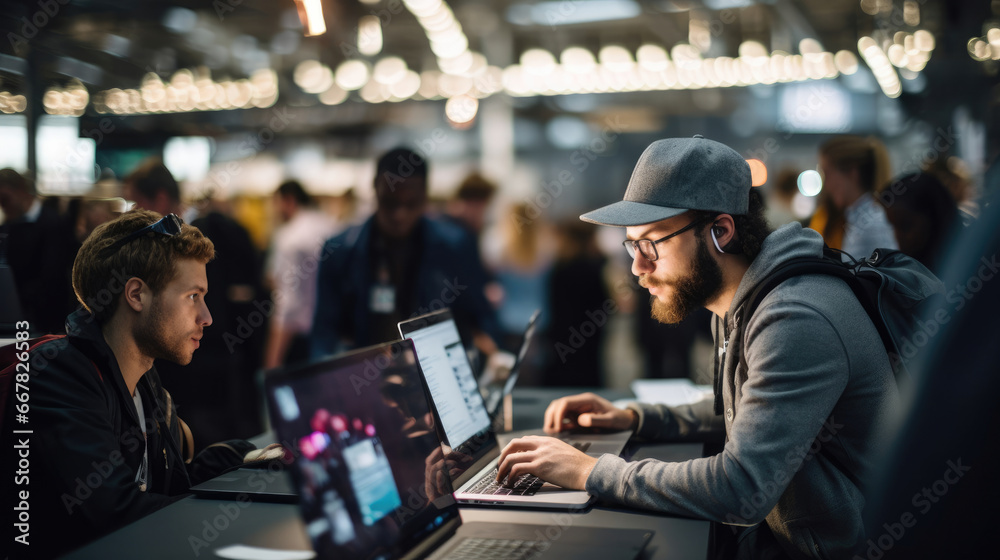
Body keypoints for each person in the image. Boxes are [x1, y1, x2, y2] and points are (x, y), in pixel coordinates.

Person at [495, 137, 899, 559]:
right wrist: (633, 416)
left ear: (720, 231)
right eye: (632, 244)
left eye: (653, 242)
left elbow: (741, 487)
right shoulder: (739, 298)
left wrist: (591, 471)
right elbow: (742, 409)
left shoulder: (795, 316)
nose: (638, 266)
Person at [0, 210, 270, 558]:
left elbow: (171, 487)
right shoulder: (57, 375)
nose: (207, 317)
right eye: (192, 296)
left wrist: (255, 455)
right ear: (136, 295)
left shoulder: (144, 380)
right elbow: (118, 513)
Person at [310, 147, 499, 359]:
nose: (399, 215)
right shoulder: (340, 249)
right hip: (363, 378)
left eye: (411, 204)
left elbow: (481, 319)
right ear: (375, 189)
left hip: (434, 376)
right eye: (389, 203)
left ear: (425, 195)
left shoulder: (455, 246)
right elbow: (323, 333)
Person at [264, 180, 339, 368]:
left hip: (298, 337)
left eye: (277, 203)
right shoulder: (331, 226)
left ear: (289, 200)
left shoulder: (290, 237)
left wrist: (273, 357)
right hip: (331, 331)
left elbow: (287, 298)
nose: (276, 210)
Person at [0, 168, 78, 334]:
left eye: (5, 199)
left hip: (46, 322)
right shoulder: (9, 226)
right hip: (17, 318)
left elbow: (53, 277)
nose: (3, 207)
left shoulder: (53, 224)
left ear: (21, 191)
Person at [817, 135, 898, 259]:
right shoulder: (859, 219)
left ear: (852, 173)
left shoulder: (870, 224)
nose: (826, 186)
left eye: (827, 174)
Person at [880, 172, 960, 273]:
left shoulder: (958, 267)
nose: (897, 236)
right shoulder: (904, 267)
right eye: (892, 227)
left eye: (905, 226)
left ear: (933, 218)